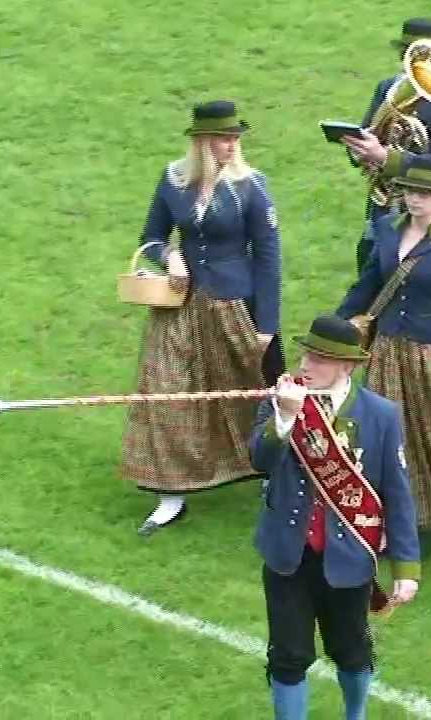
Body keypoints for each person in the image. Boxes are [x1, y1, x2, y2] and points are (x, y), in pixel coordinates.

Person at [122, 100, 282, 535]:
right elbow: (151, 236)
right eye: (222, 138)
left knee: (252, 395)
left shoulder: (252, 187)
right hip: (182, 306)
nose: (230, 145)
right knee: (167, 390)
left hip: (236, 305)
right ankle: (170, 492)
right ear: (201, 141)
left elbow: (269, 257)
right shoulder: (174, 180)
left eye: (234, 138)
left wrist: (267, 323)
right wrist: (171, 256)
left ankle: (273, 474)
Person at [251, 315, 420, 720]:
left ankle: (355, 715)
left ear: (347, 366)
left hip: (348, 556)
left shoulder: (380, 415)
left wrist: (406, 567)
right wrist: (285, 418)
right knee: (288, 655)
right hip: (287, 553)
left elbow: (397, 494)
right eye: (307, 354)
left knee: (351, 651)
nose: (306, 365)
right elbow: (260, 460)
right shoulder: (281, 400)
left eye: (320, 359)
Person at [337, 157, 431, 538]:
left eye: (424, 193)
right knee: (386, 434)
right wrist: (338, 325)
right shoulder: (387, 230)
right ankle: (393, 517)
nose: (415, 199)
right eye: (409, 191)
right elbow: (369, 283)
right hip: (389, 348)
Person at [344, 18, 431, 271]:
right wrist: (358, 148)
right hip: (384, 207)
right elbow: (370, 133)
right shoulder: (387, 88)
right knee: (371, 274)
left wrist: (384, 157)